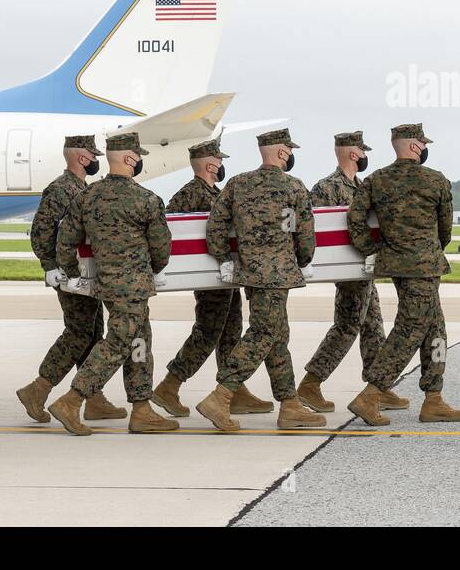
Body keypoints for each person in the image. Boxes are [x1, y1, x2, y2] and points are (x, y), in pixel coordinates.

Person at [195, 128, 326, 431]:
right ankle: (221, 395)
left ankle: (290, 404)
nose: (291, 155)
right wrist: (301, 261)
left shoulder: (238, 184)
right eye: (289, 150)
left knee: (277, 337)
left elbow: (216, 224)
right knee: (263, 334)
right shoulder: (293, 187)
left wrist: (224, 259)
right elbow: (305, 236)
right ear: (282, 153)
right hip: (278, 274)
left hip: (251, 273)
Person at [49, 131, 177, 435]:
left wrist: (73, 274)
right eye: (139, 158)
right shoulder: (146, 199)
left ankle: (142, 408)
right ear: (131, 159)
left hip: (106, 284)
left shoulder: (87, 196)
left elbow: (66, 241)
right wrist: (152, 269)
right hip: (134, 285)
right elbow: (162, 248)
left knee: (139, 341)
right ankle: (72, 398)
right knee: (120, 341)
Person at [346, 123, 460, 425]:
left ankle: (434, 397)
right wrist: (429, 250)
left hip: (396, 263)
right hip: (425, 265)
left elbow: (355, 218)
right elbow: (445, 229)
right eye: (423, 144)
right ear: (415, 146)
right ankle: (371, 394)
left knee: (435, 328)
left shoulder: (376, 180)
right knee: (409, 330)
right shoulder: (435, 180)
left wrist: (371, 249)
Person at [150, 140, 273, 418]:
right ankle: (169, 386)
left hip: (223, 277)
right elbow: (172, 230)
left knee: (231, 332)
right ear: (210, 165)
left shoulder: (215, 193)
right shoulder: (189, 194)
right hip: (208, 278)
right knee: (207, 334)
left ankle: (236, 392)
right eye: (218, 161)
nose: (221, 165)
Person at [17, 135, 127, 424]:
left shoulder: (81, 188)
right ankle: (37, 390)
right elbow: (40, 232)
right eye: (93, 156)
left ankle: (94, 398)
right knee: (78, 332)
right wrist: (50, 266)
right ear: (82, 158)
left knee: (92, 332)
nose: (95, 161)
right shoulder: (60, 189)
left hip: (85, 274)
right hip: (69, 274)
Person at [297, 132, 408, 413]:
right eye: (363, 151)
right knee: (347, 326)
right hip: (347, 269)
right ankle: (311, 383)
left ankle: (379, 387)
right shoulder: (326, 188)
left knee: (373, 326)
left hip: (364, 267)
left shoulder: (362, 186)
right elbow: (315, 229)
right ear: (354, 154)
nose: (365, 156)